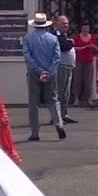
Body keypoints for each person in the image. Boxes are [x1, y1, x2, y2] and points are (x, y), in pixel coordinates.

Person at [23, 13, 65, 141]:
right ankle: (58, 124)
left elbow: (28, 57)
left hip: (34, 74)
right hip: (50, 74)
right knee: (53, 100)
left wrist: (39, 71)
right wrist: (49, 72)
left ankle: (35, 133)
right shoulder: (53, 39)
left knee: (33, 103)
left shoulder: (28, 39)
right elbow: (57, 57)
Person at [53, 15, 77, 125]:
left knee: (66, 93)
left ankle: (64, 114)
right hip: (61, 67)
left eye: (67, 23)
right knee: (60, 92)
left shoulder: (63, 35)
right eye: (63, 23)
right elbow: (63, 46)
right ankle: (57, 116)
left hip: (68, 67)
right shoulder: (55, 35)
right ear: (57, 24)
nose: (66, 25)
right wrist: (71, 42)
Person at [71, 22, 98, 107]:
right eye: (84, 27)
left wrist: (94, 47)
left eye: (87, 28)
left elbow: (97, 50)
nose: (86, 29)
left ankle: (88, 98)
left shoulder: (93, 38)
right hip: (79, 60)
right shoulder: (76, 38)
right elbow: (72, 48)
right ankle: (76, 98)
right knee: (77, 80)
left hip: (89, 61)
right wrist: (82, 48)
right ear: (81, 28)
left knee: (89, 80)